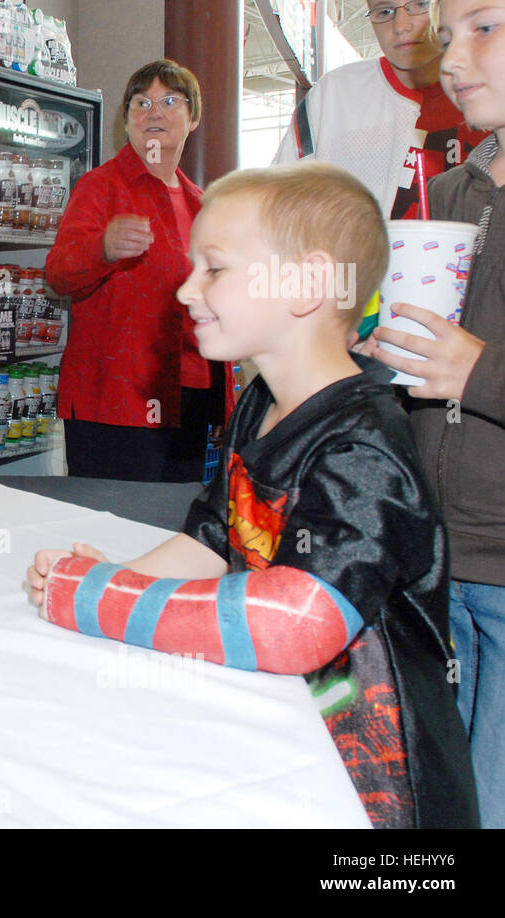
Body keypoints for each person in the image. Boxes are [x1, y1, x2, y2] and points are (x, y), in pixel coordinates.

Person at [27, 162, 478, 828]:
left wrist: (98, 598)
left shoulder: (363, 444)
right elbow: (214, 536)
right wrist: (114, 575)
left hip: (376, 790)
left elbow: (294, 622)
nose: (185, 290)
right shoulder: (259, 405)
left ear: (308, 285)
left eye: (214, 269)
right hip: (293, 747)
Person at [362, 0, 505, 829]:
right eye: (447, 36)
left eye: (484, 26)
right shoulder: (448, 190)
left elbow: (468, 366)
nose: (452, 57)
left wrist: (479, 372)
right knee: (439, 799)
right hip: (439, 558)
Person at [45, 59, 231, 483]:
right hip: (114, 401)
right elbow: (58, 275)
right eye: (141, 103)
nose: (154, 112)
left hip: (190, 402)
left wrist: (223, 403)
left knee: (172, 532)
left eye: (169, 101)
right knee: (111, 534)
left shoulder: (203, 203)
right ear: (126, 120)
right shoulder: (101, 187)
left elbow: (217, 307)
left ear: (194, 117)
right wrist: (103, 248)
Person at [275, 0, 489, 339]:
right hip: (357, 327)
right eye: (385, 12)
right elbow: (279, 208)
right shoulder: (335, 97)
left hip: (471, 324)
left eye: (418, 6)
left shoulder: (486, 101)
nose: (402, 26)